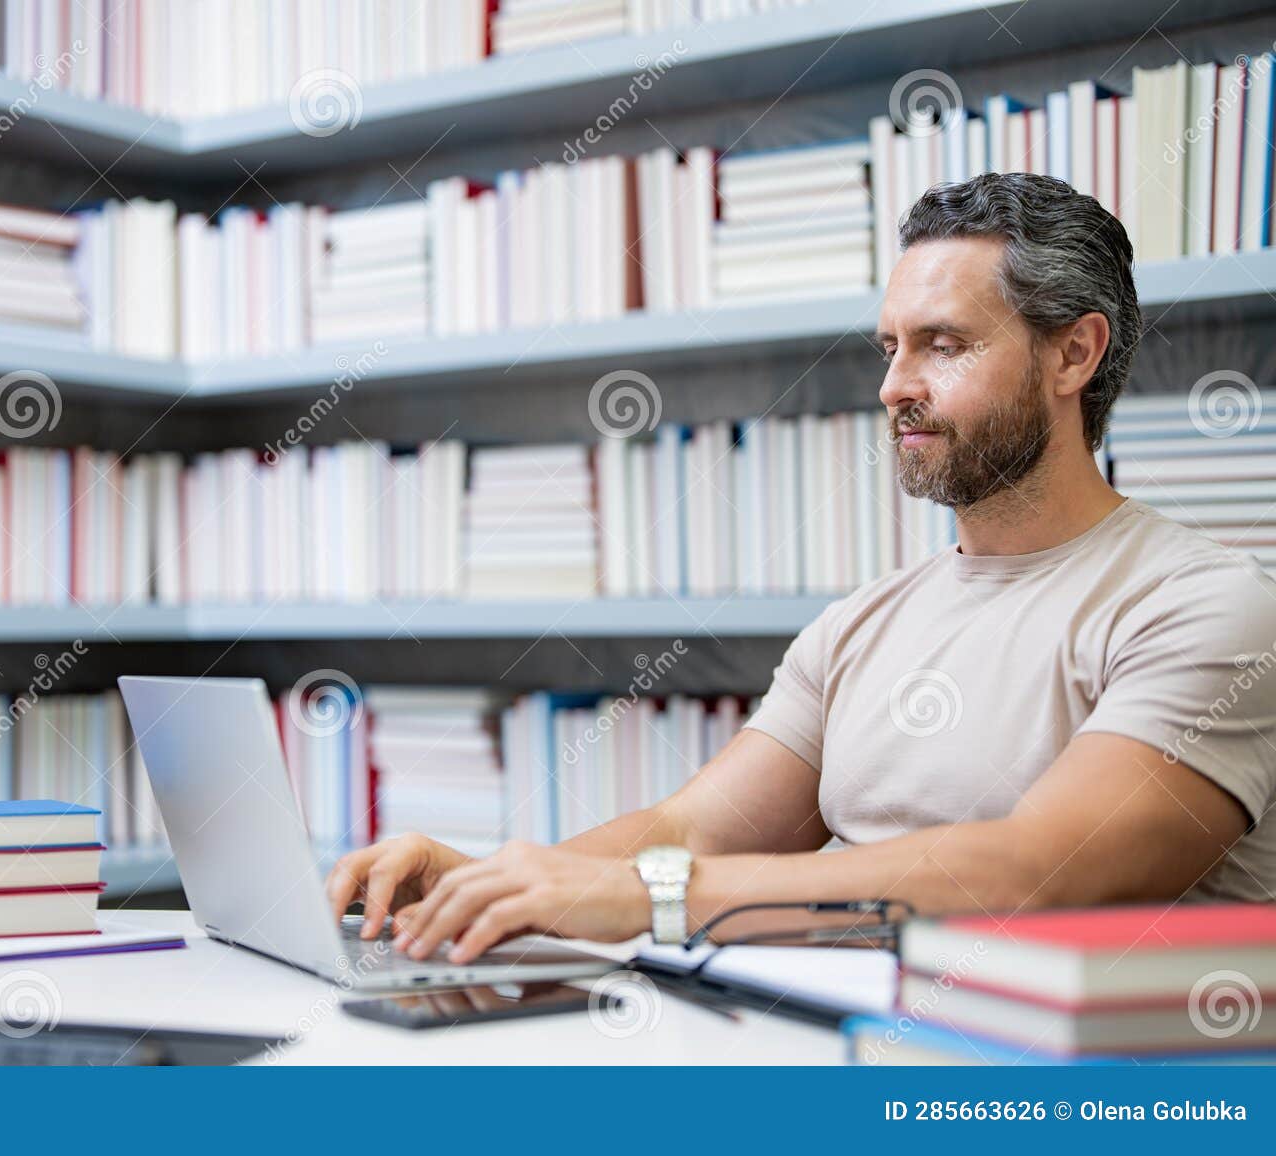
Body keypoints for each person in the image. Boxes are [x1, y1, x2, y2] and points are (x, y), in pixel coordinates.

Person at [325, 171, 1276, 964]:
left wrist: (655, 900)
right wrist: (488, 886)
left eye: (944, 345)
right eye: (891, 348)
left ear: (1074, 354)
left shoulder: (1206, 606)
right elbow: (690, 832)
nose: (895, 386)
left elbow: (1041, 870)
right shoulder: (860, 625)